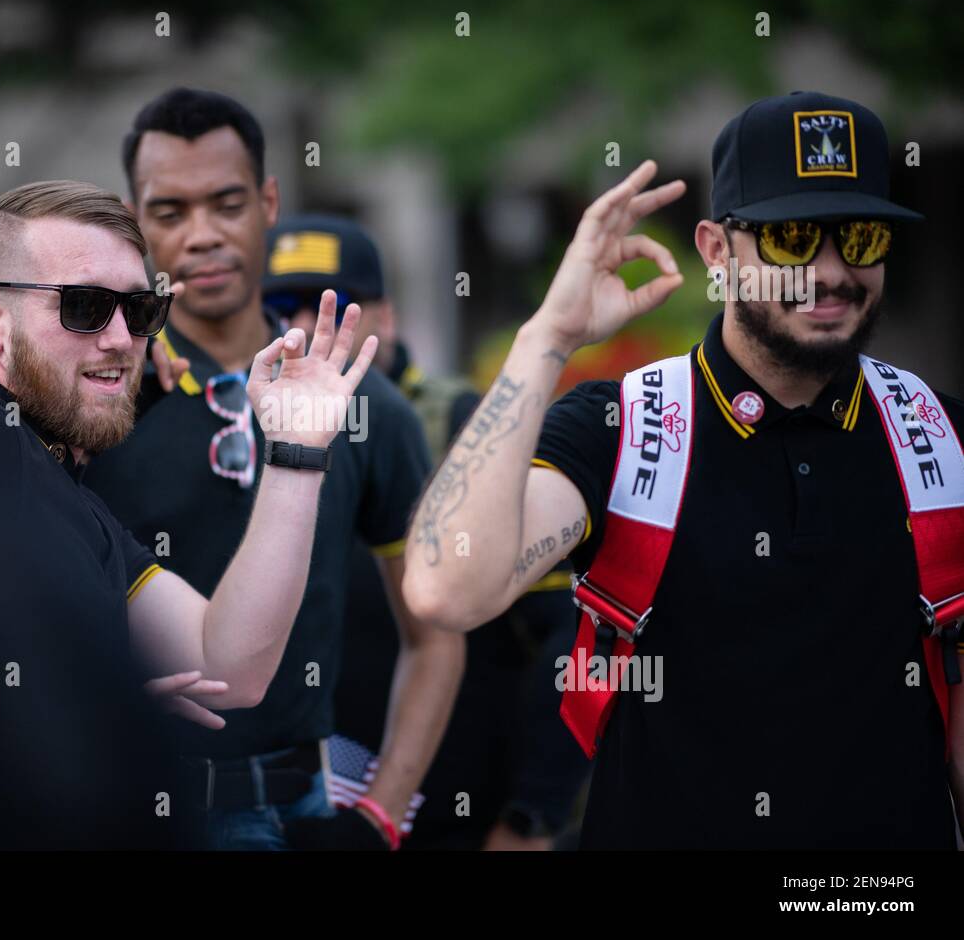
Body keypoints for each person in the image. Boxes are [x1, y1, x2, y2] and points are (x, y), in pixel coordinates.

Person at [403, 91, 964, 849]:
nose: (831, 272)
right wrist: (548, 336)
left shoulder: (938, 438)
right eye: (794, 238)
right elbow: (445, 591)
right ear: (715, 250)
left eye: (860, 238)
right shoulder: (624, 427)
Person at [0, 178, 376, 844]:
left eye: (140, 310)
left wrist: (293, 453)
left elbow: (228, 670)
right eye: (84, 307)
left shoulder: (69, 495)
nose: (120, 338)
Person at [84, 87, 464, 850]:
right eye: (169, 212)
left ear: (268, 201)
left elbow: (435, 636)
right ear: (133, 218)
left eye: (226, 204)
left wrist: (380, 816)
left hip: (306, 813)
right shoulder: (90, 399)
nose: (201, 235)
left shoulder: (359, 403)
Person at [265, 214, 588, 849]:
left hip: (458, 816)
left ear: (385, 316)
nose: (308, 326)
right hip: (313, 817)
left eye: (336, 304)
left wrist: (532, 816)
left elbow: (573, 631)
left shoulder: (461, 428)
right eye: (282, 307)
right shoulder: (247, 429)